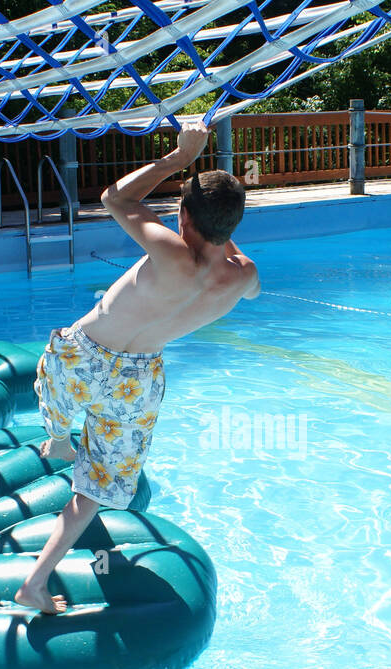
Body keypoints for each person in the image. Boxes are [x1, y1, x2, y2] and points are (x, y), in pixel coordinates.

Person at [14, 120, 260, 614]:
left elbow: (115, 198)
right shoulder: (241, 278)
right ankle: (34, 583)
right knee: (93, 489)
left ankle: (58, 438)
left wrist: (179, 158)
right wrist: (222, 231)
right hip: (139, 380)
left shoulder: (170, 251)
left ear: (183, 216)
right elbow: (246, 275)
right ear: (233, 227)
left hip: (82, 357)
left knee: (54, 395)